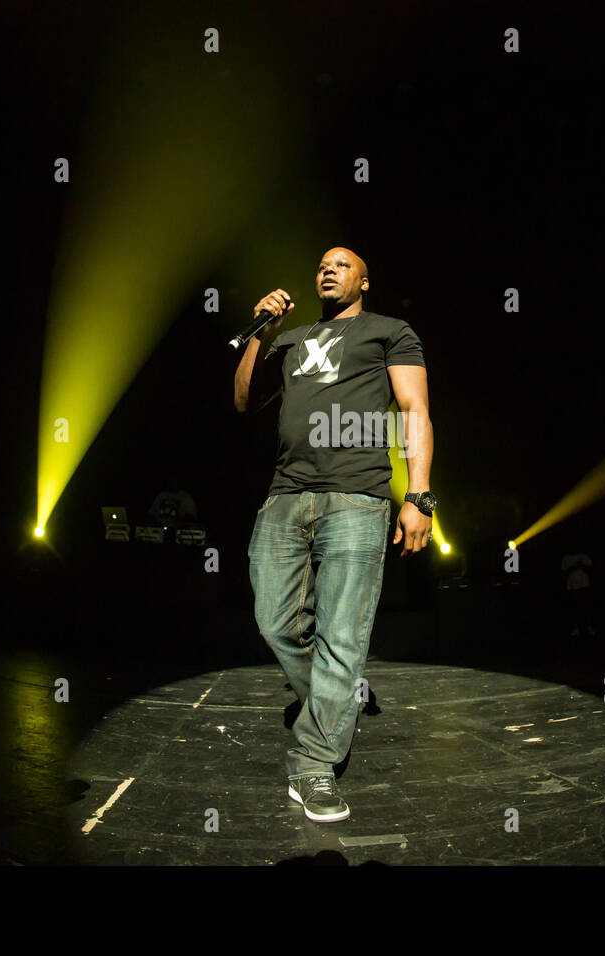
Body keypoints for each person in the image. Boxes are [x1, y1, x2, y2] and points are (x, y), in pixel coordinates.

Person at [234, 247, 434, 823]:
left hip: (358, 496)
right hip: (286, 493)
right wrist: (260, 334)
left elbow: (414, 408)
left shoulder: (389, 331)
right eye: (321, 263)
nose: (328, 269)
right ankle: (336, 692)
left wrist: (418, 495)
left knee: (342, 635)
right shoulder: (291, 340)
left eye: (343, 264)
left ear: (364, 280)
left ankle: (316, 764)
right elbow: (246, 401)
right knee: (273, 619)